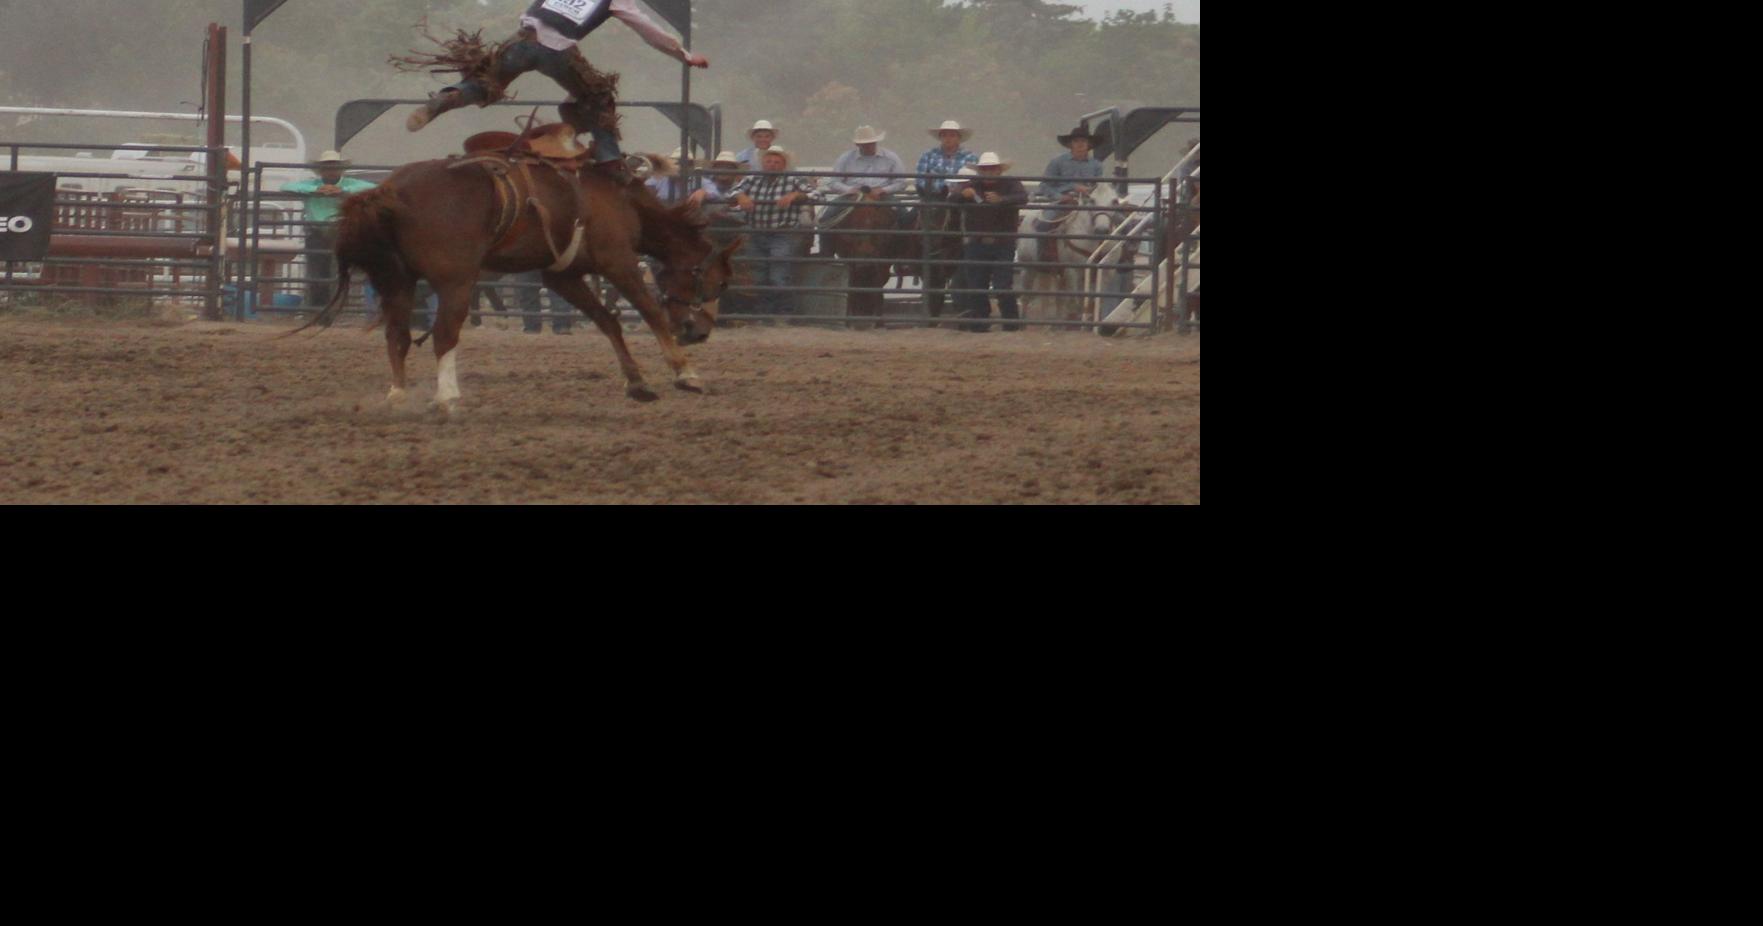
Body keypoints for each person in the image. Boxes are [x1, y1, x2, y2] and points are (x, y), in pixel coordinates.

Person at [403, 1, 709, 178]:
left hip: (522, 40)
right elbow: (649, 32)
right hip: (558, 50)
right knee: (599, 96)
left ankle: (447, 97)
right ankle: (609, 159)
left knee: (484, 84)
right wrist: (684, 55)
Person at [280, 151, 376, 308]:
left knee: (340, 270)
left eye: (334, 167)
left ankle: (332, 307)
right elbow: (285, 186)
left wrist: (343, 192)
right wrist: (315, 191)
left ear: (340, 169)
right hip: (318, 231)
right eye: (327, 168)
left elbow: (372, 187)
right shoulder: (312, 185)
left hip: (341, 231)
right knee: (318, 272)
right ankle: (320, 308)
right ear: (321, 170)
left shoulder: (349, 184)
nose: (331, 171)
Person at [949, 153, 1028, 333]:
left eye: (992, 169)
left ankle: (1010, 324)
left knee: (1002, 286)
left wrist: (1002, 200)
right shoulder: (971, 185)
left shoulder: (1010, 183)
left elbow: (1022, 197)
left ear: (999, 170)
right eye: (985, 169)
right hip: (978, 243)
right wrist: (963, 194)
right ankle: (981, 324)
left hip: (1002, 243)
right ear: (980, 171)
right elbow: (951, 199)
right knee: (977, 285)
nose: (989, 172)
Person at [730, 148, 812, 318]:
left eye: (777, 162)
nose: (772, 165)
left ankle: (783, 313)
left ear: (783, 165)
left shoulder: (793, 180)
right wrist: (740, 196)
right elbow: (734, 190)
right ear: (763, 163)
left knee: (778, 275)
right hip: (756, 232)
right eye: (769, 161)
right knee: (759, 275)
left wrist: (796, 195)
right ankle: (764, 313)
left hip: (782, 232)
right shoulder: (752, 179)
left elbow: (816, 193)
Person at [1034, 125, 1106, 262]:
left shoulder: (1096, 165)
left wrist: (1090, 192)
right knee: (1042, 225)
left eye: (1083, 141)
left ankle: (1110, 257)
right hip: (1062, 201)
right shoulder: (1057, 162)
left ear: (1089, 145)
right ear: (1070, 144)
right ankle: (1044, 258)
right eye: (1076, 141)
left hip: (1088, 203)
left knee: (1106, 222)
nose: (1080, 144)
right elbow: (1044, 185)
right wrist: (1061, 196)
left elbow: (1099, 188)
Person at [825, 126, 908, 198]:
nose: (869, 146)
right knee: (829, 215)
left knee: (904, 215)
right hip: (851, 197)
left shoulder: (891, 157)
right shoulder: (845, 158)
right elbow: (833, 182)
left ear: (876, 142)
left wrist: (883, 190)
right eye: (865, 144)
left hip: (883, 196)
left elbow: (901, 182)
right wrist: (849, 189)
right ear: (858, 145)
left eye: (871, 143)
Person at [915, 120, 979, 199]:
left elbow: (975, 181)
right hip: (934, 197)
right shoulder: (928, 155)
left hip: (961, 199)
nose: (948, 138)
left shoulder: (970, 157)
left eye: (952, 135)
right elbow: (920, 179)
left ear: (959, 138)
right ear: (940, 138)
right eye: (944, 135)